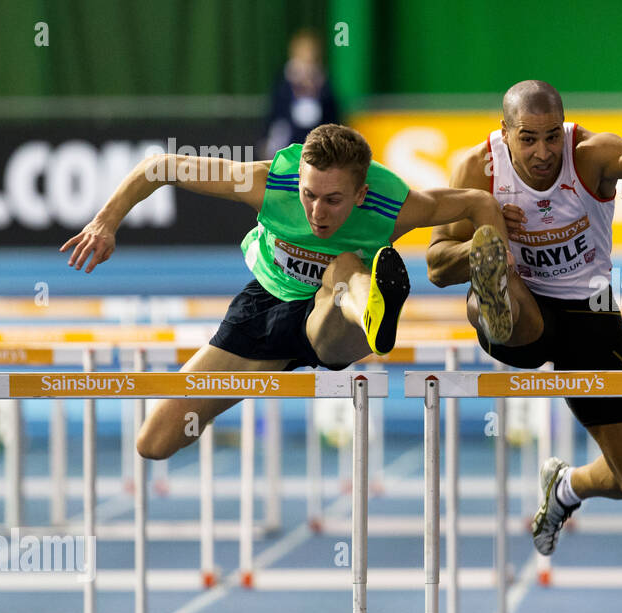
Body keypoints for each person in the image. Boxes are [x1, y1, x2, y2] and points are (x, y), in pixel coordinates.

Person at [61, 123, 513, 461]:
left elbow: (479, 202)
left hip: (331, 319)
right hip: (263, 305)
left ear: (360, 194)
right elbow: (157, 167)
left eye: (333, 200)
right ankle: (329, 325)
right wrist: (105, 221)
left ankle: (374, 309)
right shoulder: (265, 182)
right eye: (309, 194)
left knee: (344, 270)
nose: (317, 212)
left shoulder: (396, 207)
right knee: (153, 443)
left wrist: (498, 276)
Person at [427, 80, 622, 556]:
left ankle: (565, 487)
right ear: (505, 132)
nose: (543, 152)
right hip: (523, 310)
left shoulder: (592, 153)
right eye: (528, 138)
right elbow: (436, 266)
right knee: (500, 286)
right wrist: (484, 242)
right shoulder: (476, 168)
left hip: (590, 315)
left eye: (552, 136)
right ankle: (491, 301)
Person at [264, 29, 340, 157]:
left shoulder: (324, 80)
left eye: (311, 51)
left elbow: (333, 112)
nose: (308, 55)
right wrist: (268, 138)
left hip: (317, 138)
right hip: (288, 138)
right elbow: (274, 111)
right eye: (304, 51)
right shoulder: (284, 79)